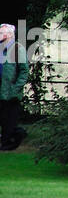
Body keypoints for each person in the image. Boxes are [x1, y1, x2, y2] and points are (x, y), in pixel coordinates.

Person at [0, 23, 28, 151]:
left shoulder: (18, 49)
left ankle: (10, 141)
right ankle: (5, 141)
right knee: (4, 118)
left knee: (9, 120)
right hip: (2, 89)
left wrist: (16, 88)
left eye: (2, 33)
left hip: (11, 92)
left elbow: (24, 71)